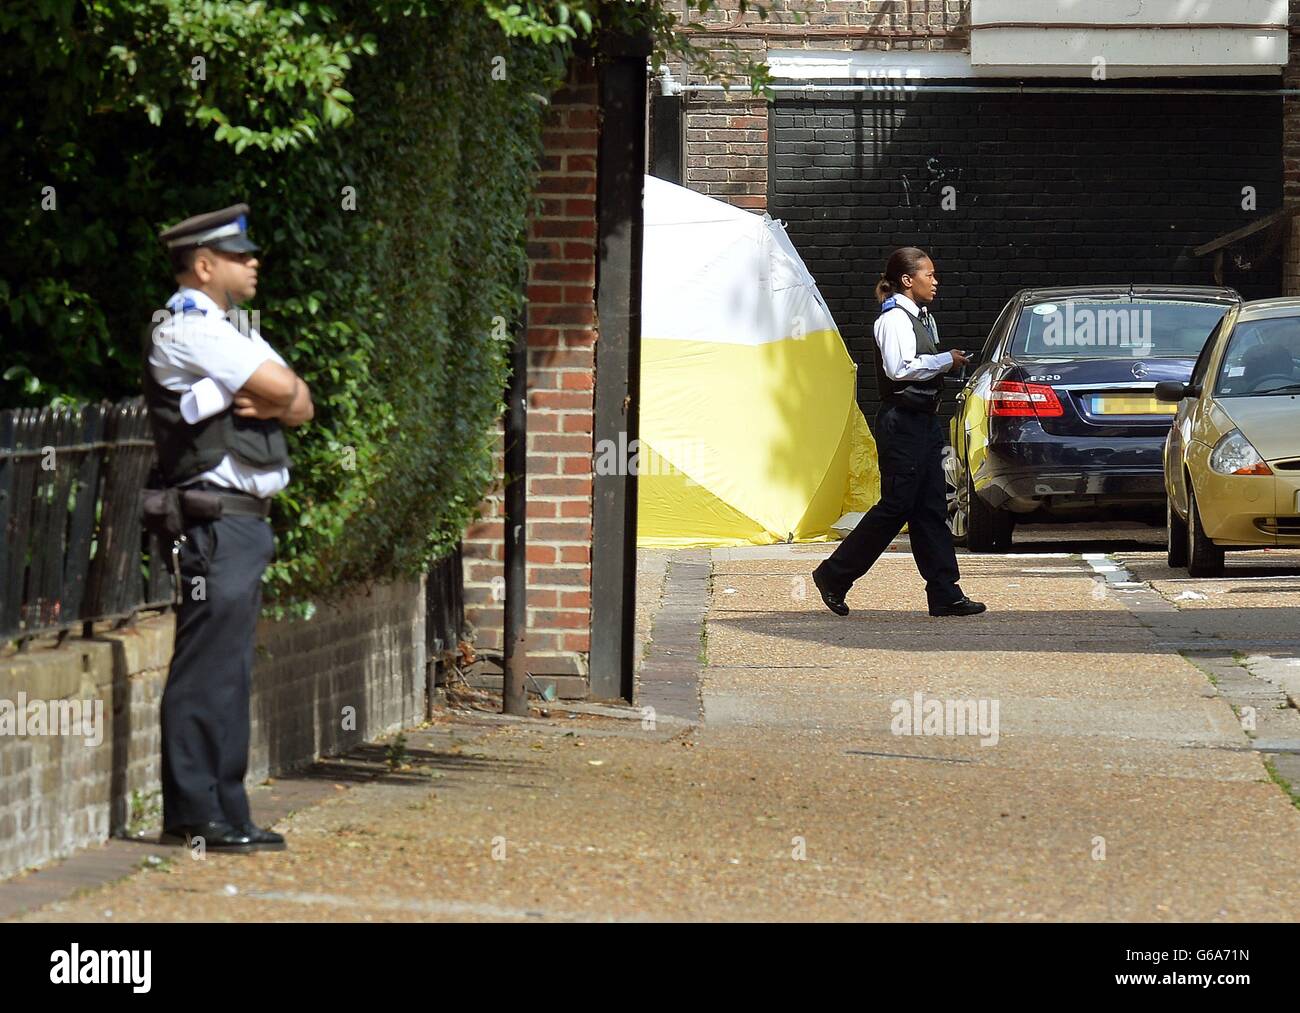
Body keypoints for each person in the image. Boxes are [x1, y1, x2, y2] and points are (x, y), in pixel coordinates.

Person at [145, 203, 314, 852]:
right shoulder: (187, 328)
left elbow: (300, 401)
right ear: (204, 265)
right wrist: (276, 390)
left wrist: (280, 392)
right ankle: (194, 812)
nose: (253, 262)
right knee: (206, 669)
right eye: (239, 254)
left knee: (232, 669)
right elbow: (277, 384)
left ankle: (227, 807)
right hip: (212, 522)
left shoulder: (232, 327)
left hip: (243, 524)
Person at [812, 247, 986, 618]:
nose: (935, 281)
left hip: (922, 422)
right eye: (929, 275)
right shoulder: (893, 319)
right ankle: (833, 574)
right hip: (902, 423)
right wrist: (945, 360)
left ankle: (944, 593)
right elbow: (899, 368)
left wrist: (947, 364)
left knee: (931, 508)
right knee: (896, 506)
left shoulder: (921, 318)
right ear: (908, 281)